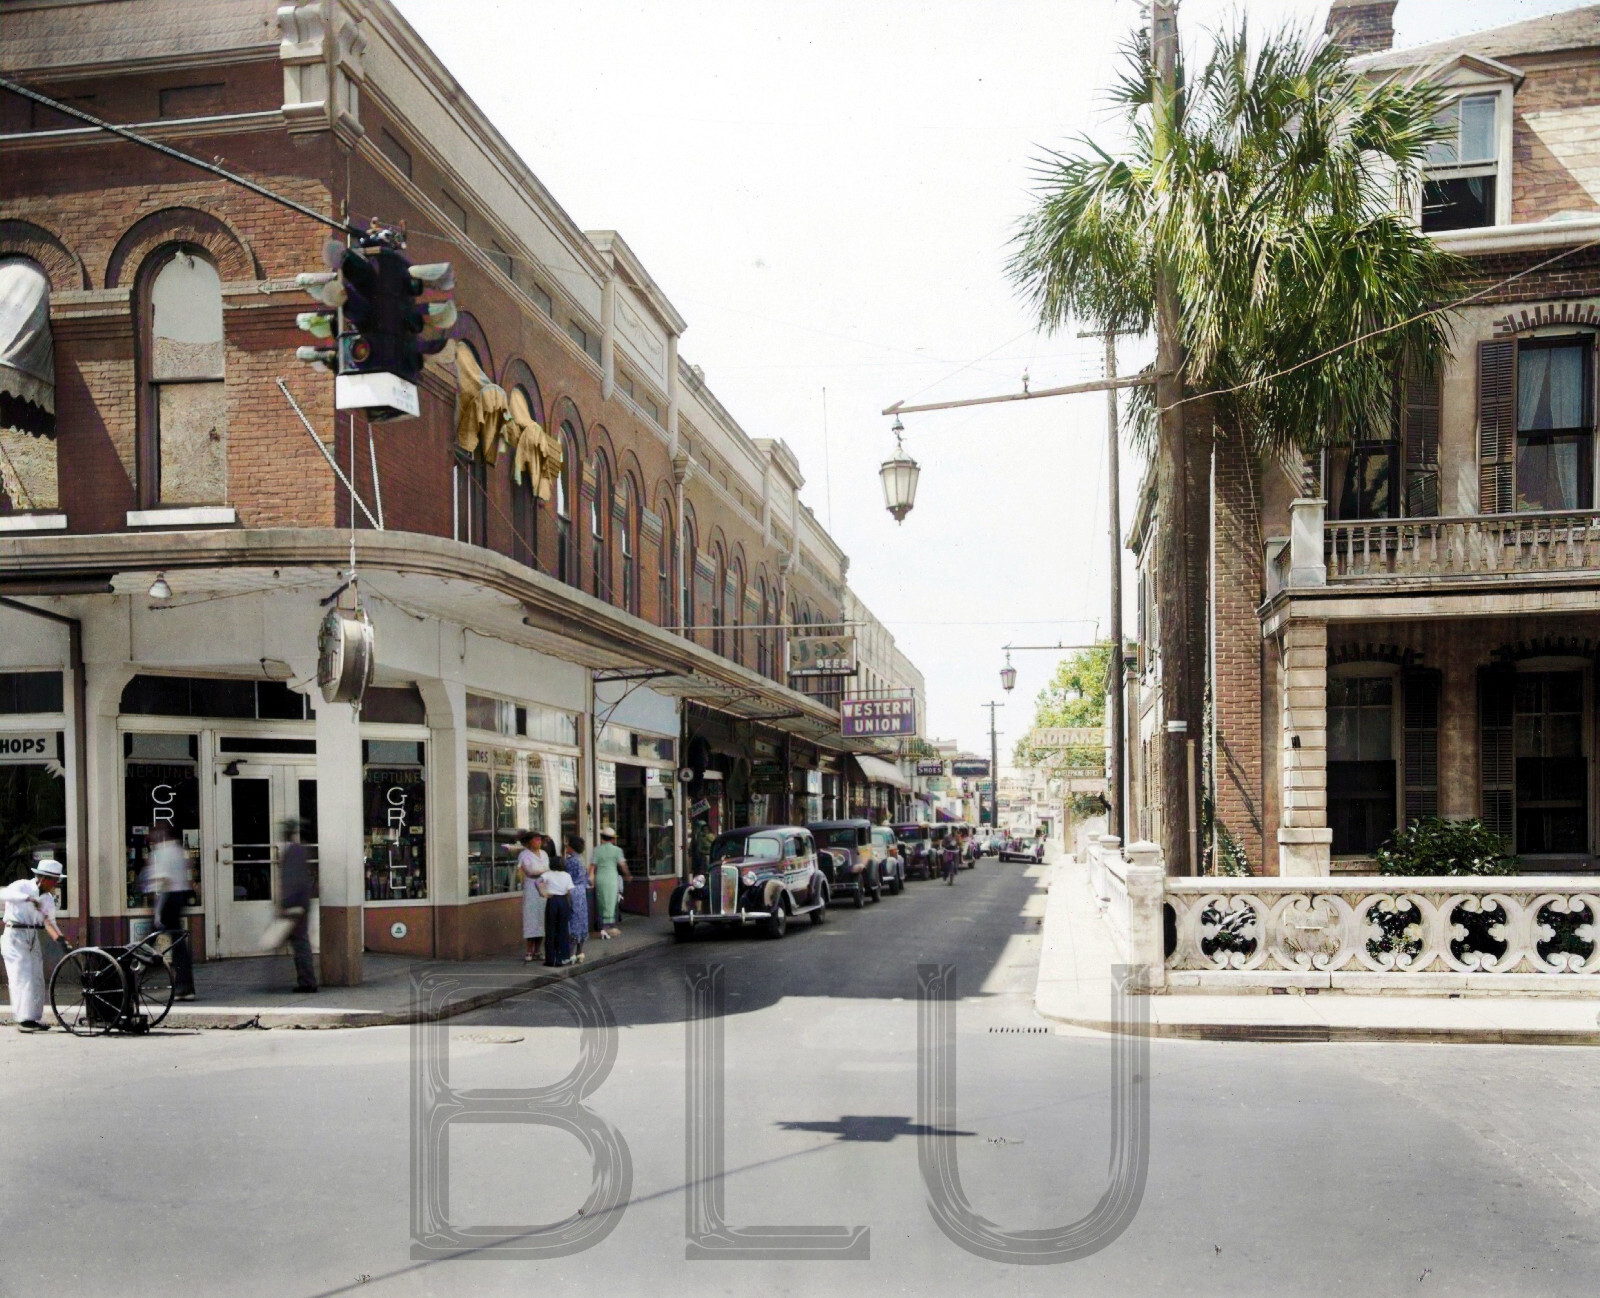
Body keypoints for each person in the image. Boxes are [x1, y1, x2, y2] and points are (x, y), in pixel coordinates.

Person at [3, 859, 67, 1031]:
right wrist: (29, 898)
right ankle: (24, 1019)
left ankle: (34, 1018)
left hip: (32, 936)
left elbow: (49, 922)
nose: (55, 884)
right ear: (43, 878)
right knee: (22, 977)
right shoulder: (22, 886)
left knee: (37, 978)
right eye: (54, 880)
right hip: (15, 934)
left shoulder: (47, 899)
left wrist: (61, 940)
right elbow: (4, 895)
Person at [142, 825, 196, 1001]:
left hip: (167, 898)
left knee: (147, 940)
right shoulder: (180, 851)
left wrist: (157, 909)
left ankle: (131, 977)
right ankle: (185, 986)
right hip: (179, 897)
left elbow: (163, 880)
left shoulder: (161, 852)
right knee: (178, 943)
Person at [277, 818, 317, 993]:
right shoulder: (297, 850)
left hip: (296, 904)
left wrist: (286, 904)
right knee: (300, 942)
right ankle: (306, 980)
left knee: (300, 943)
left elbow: (293, 881)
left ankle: (307, 982)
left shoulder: (293, 851)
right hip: (299, 902)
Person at [592, 826, 631, 939]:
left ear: (602, 838)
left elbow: (593, 866)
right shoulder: (617, 850)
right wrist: (627, 875)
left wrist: (591, 877)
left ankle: (602, 927)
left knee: (601, 902)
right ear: (612, 839)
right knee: (611, 902)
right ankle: (609, 927)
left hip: (600, 878)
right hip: (611, 878)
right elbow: (623, 865)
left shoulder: (597, 850)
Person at [516, 829, 549, 963]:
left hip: (543, 887)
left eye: (540, 839)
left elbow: (546, 867)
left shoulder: (544, 854)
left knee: (542, 917)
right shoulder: (525, 854)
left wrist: (543, 871)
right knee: (531, 917)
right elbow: (530, 870)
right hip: (531, 887)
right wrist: (543, 870)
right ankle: (529, 949)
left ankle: (538, 949)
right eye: (536, 839)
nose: (539, 842)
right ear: (529, 841)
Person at [538, 860, 574, 967]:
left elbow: (537, 882)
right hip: (563, 901)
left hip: (552, 900)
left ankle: (550, 959)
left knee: (550, 929)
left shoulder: (547, 874)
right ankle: (561, 958)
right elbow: (569, 892)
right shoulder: (567, 875)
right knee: (562, 929)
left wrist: (543, 893)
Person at [563, 834, 589, 963]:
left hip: (571, 891)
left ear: (571, 847)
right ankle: (580, 951)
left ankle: (571, 952)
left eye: (567, 844)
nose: (565, 846)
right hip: (581, 892)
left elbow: (564, 876)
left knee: (572, 920)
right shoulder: (582, 859)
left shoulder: (569, 861)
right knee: (582, 919)